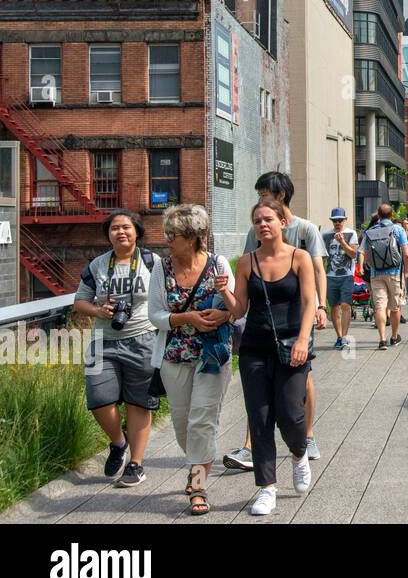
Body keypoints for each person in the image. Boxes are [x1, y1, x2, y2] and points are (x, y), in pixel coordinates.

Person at [225, 172, 326, 472]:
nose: (259, 203)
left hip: (297, 320)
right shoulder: (254, 231)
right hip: (260, 327)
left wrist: (320, 305)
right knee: (259, 397)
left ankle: (305, 437)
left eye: (263, 195)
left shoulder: (305, 230)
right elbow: (247, 271)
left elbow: (318, 269)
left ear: (279, 197)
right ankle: (250, 446)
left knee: (299, 383)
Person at [147, 203, 233, 516]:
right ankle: (196, 464)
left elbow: (234, 310)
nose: (167, 238)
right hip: (173, 356)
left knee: (202, 421)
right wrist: (188, 318)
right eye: (167, 232)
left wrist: (222, 313)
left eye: (173, 234)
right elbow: (155, 316)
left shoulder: (218, 263)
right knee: (183, 424)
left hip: (211, 356)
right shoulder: (162, 267)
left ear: (194, 236)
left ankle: (198, 487)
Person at [72, 210, 159, 488]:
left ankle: (136, 464)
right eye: (114, 229)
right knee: (98, 397)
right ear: (108, 234)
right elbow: (79, 302)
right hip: (103, 341)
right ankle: (118, 443)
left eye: (126, 227)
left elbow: (168, 294)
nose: (120, 232)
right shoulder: (97, 265)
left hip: (143, 338)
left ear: (137, 232)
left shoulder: (152, 261)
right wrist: (98, 310)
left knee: (139, 401)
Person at [359, 202, 408, 349]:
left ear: (378, 216)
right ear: (392, 215)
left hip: (376, 274)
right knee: (395, 307)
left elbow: (361, 251)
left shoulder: (370, 232)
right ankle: (394, 337)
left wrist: (363, 267)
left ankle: (382, 339)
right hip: (395, 273)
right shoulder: (398, 229)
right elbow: (406, 255)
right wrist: (405, 272)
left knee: (380, 307)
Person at [322, 207, 358, 350]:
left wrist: (343, 242)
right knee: (334, 307)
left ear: (345, 220)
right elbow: (323, 257)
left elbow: (354, 254)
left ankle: (344, 337)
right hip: (330, 276)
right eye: (335, 221)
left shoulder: (351, 233)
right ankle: (338, 336)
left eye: (340, 220)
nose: (337, 223)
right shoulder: (325, 235)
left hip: (347, 275)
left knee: (346, 305)